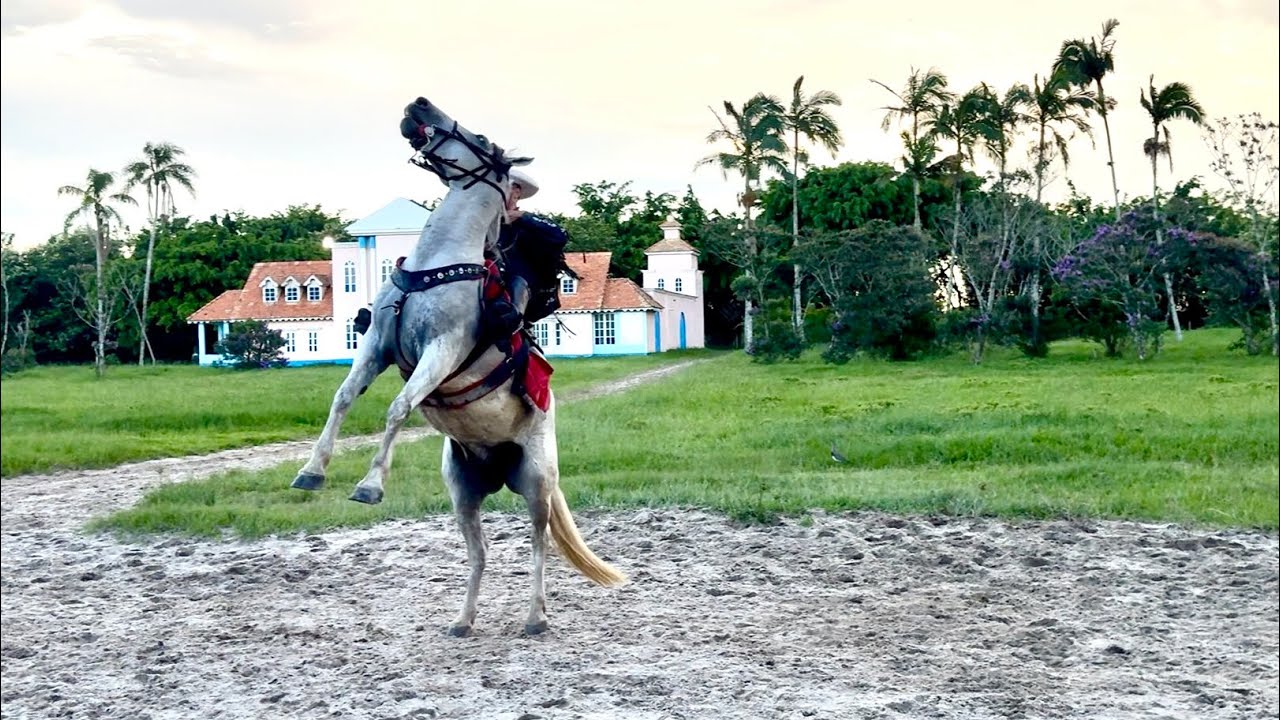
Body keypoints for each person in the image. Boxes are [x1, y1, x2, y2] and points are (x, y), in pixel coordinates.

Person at [487, 169, 570, 337]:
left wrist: (522, 217)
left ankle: (513, 325)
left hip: (526, 297)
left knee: (519, 280)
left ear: (516, 193)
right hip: (485, 289)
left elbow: (560, 235)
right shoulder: (482, 225)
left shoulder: (529, 225)